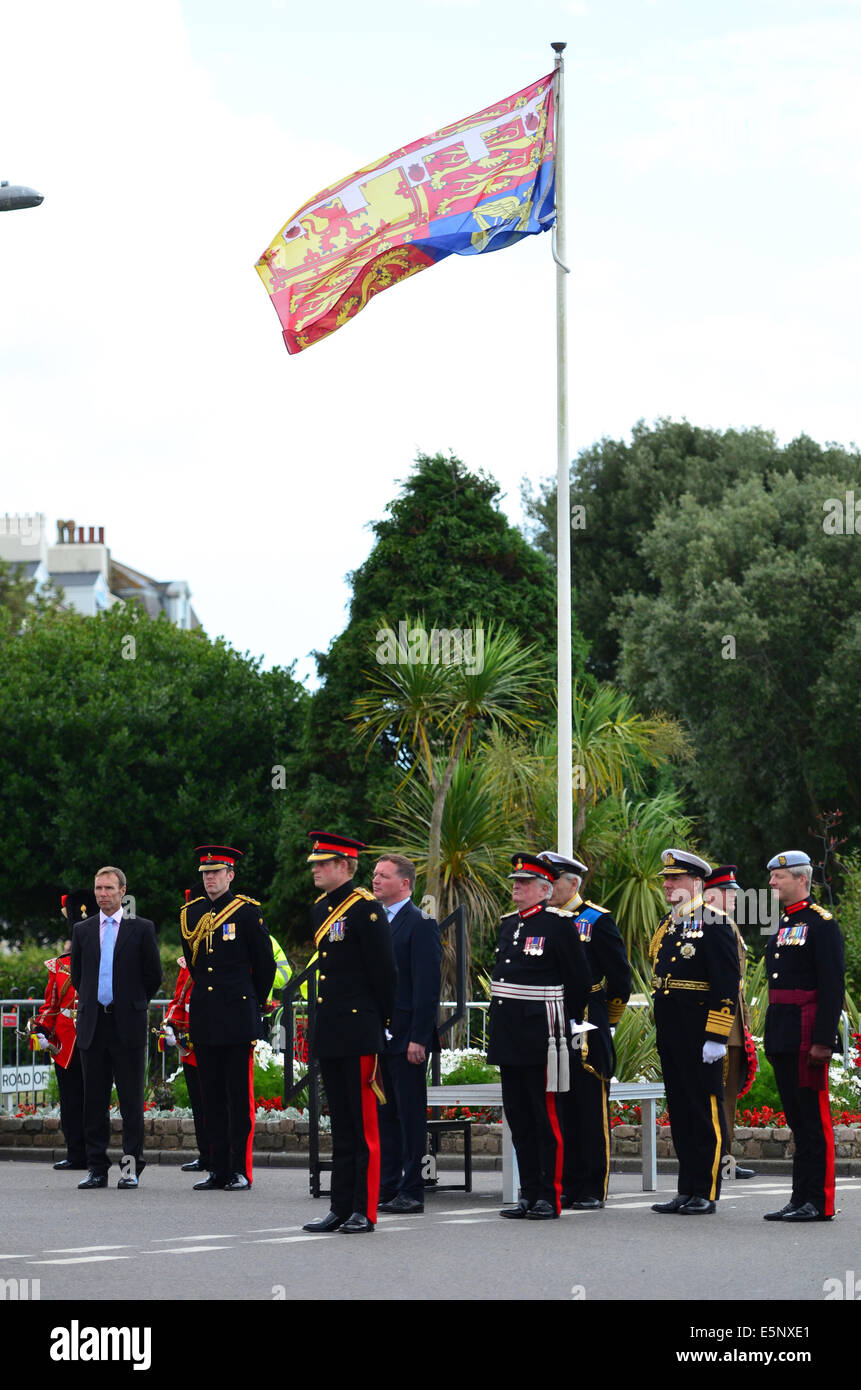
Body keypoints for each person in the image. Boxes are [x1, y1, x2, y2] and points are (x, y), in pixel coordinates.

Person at [302, 831, 397, 1235]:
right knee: (340, 1124)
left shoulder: (365, 909)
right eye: (315, 864)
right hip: (333, 1030)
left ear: (344, 864)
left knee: (363, 1127)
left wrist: (383, 1024)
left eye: (323, 863)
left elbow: (384, 973)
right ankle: (340, 1206)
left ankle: (364, 1208)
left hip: (359, 1030)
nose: (316, 870)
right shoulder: (321, 908)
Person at [488, 853, 590, 1220]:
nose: (516, 886)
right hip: (509, 1035)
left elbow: (578, 983)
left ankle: (550, 1193)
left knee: (546, 1118)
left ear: (545, 890)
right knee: (519, 1117)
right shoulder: (508, 924)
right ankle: (528, 1192)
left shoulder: (559, 926)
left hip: (542, 1036)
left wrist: (568, 1025)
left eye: (525, 882)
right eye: (515, 881)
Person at [649, 849, 740, 1216]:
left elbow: (726, 983)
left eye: (676, 879)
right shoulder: (668, 924)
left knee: (705, 1111)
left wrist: (717, 1035)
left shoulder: (714, 922)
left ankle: (706, 1189)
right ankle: (686, 1188)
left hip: (701, 1032)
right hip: (673, 1032)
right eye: (667, 880)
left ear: (697, 883)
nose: (669, 885)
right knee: (682, 1112)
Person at [539, 851, 631, 1210]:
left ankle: (593, 1185)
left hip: (587, 1018)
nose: (548, 888)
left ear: (573, 883)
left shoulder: (594, 920)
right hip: (552, 1017)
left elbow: (620, 978)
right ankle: (564, 1182)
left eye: (555, 881)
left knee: (588, 1104)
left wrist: (606, 1021)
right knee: (559, 1103)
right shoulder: (544, 919)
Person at [181, 844, 276, 1192]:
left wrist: (253, 1001)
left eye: (216, 873)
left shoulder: (248, 913)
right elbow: (194, 966)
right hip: (206, 1017)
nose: (210, 879)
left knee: (238, 1096)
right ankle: (217, 1167)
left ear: (230, 875)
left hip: (236, 1014)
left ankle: (239, 1168)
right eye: (205, 874)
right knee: (212, 1097)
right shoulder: (190, 915)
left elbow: (264, 965)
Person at [762, 850, 845, 1223]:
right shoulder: (783, 922)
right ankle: (799, 1198)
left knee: (814, 1122)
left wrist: (823, 1041)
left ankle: (819, 1201)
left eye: (778, 878)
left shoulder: (822, 924)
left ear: (800, 880)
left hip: (807, 1032)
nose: (771, 883)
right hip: (783, 1031)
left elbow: (832, 986)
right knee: (797, 1121)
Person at [69, 866, 162, 1190]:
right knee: (93, 1101)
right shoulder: (83, 930)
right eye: (98, 888)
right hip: (94, 1024)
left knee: (131, 1102)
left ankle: (129, 1169)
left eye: (109, 888)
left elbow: (153, 976)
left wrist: (132, 1002)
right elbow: (77, 976)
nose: (102, 894)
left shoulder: (141, 928)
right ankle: (96, 1168)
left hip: (128, 1025)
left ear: (123, 891)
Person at [372, 853, 441, 1216]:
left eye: (384, 875)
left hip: (406, 1036)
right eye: (375, 874)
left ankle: (412, 1189)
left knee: (410, 1115)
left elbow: (427, 987)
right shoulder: (374, 921)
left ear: (405, 884)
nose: (376, 880)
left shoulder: (420, 923)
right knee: (386, 1115)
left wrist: (419, 1037)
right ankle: (387, 1186)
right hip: (378, 1035)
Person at [28, 889, 97, 1171]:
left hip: (95, 1036)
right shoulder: (60, 965)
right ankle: (75, 1152)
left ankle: (95, 1155)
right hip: (66, 1044)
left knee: (94, 1099)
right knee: (70, 1101)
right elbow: (51, 1004)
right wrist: (41, 1028)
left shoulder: (102, 959)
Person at [703, 865, 755, 1179]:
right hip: (720, 1025)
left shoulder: (726, 924)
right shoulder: (711, 924)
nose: (733, 896)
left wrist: (744, 1023)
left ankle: (726, 1161)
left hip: (732, 1024)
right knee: (718, 1094)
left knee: (727, 1095)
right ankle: (719, 1160)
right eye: (727, 891)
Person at [158, 948, 211, 1174]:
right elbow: (178, 1002)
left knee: (218, 1104)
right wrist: (170, 1025)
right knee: (199, 1105)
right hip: (191, 1047)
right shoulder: (187, 964)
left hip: (215, 1041)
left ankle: (224, 1156)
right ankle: (206, 1155)